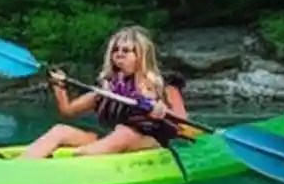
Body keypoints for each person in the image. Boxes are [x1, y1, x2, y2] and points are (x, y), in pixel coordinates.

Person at [17, 25, 189, 160]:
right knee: (60, 130)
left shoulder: (164, 87)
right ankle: (22, 165)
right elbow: (68, 111)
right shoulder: (107, 90)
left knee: (124, 133)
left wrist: (162, 111)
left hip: (147, 141)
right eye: (116, 50)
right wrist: (58, 86)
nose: (119, 55)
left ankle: (80, 160)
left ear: (141, 56)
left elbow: (183, 125)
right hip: (110, 137)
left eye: (126, 51)